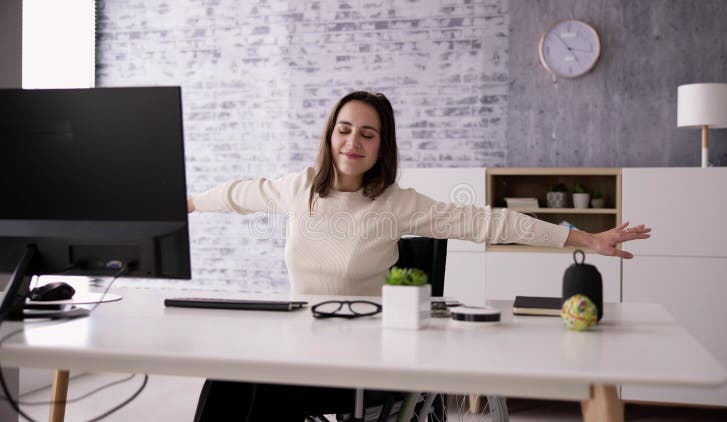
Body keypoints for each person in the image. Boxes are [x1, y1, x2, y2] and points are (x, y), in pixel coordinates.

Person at [188, 91, 650, 420]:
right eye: (344, 129)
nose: (352, 142)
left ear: (381, 146)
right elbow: (235, 194)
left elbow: (489, 221)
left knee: (264, 390)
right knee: (226, 378)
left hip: (366, 359)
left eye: (367, 134)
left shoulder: (395, 204)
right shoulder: (299, 189)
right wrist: (181, 205)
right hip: (302, 346)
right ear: (330, 135)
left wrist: (584, 239)